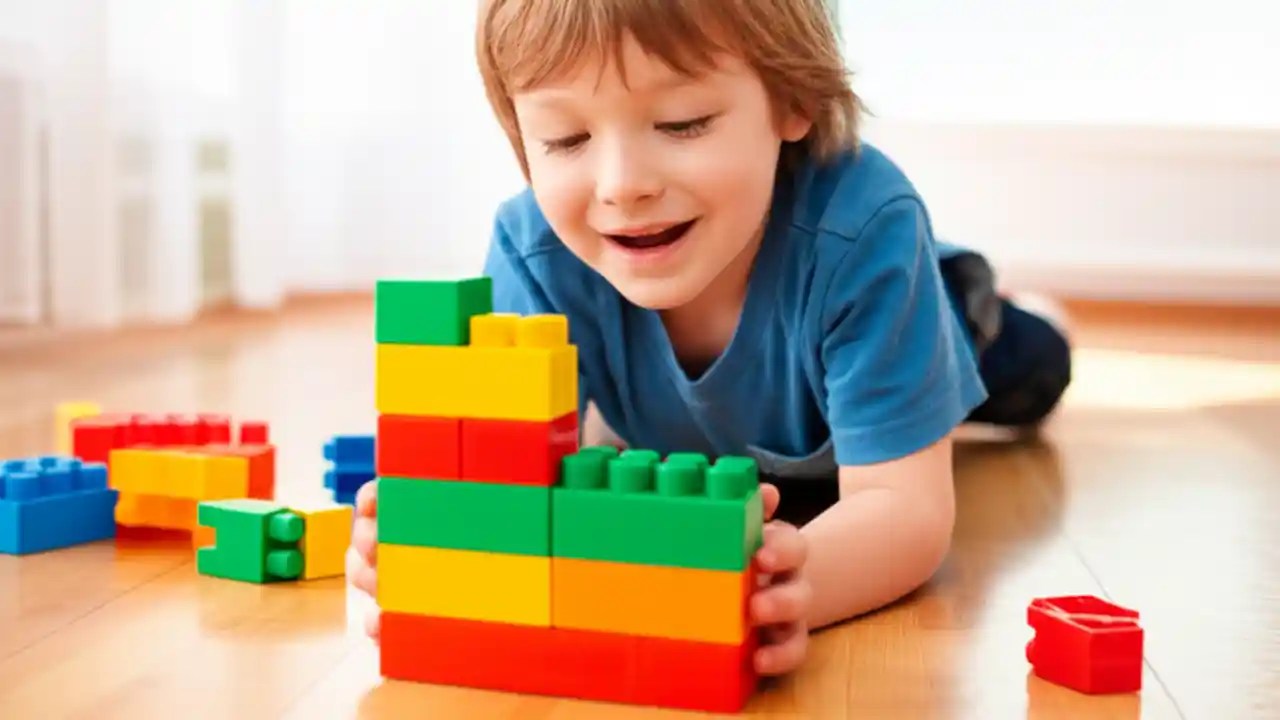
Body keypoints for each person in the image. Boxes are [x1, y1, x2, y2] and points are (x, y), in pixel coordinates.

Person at [347, 0, 1072, 678]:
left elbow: (906, 509)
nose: (621, 185)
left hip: (919, 321)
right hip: (743, 424)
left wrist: (792, 584)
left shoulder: (863, 229)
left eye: (683, 122)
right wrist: (439, 539)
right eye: (566, 139)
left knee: (1034, 370)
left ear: (794, 100)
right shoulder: (535, 252)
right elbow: (497, 479)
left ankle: (1013, 307)